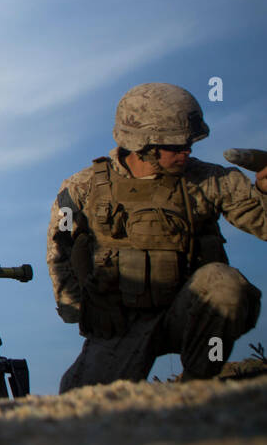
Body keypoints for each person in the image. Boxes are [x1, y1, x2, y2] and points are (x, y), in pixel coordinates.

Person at [48, 82, 267, 392]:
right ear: (143, 145)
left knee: (225, 285)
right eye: (176, 146)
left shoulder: (209, 180)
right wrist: (83, 312)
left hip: (187, 311)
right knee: (80, 408)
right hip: (119, 325)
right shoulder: (82, 189)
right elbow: (60, 252)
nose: (187, 152)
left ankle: (199, 388)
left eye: (189, 144)